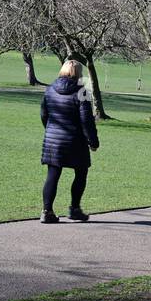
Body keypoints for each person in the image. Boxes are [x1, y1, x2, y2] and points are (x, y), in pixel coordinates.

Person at [39, 58, 99, 223]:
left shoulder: (50, 89)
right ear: (79, 73)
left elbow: (44, 115)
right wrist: (93, 142)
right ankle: (74, 208)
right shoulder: (83, 92)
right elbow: (86, 121)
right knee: (81, 172)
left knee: (53, 174)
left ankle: (47, 211)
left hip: (53, 140)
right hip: (75, 141)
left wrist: (51, 131)